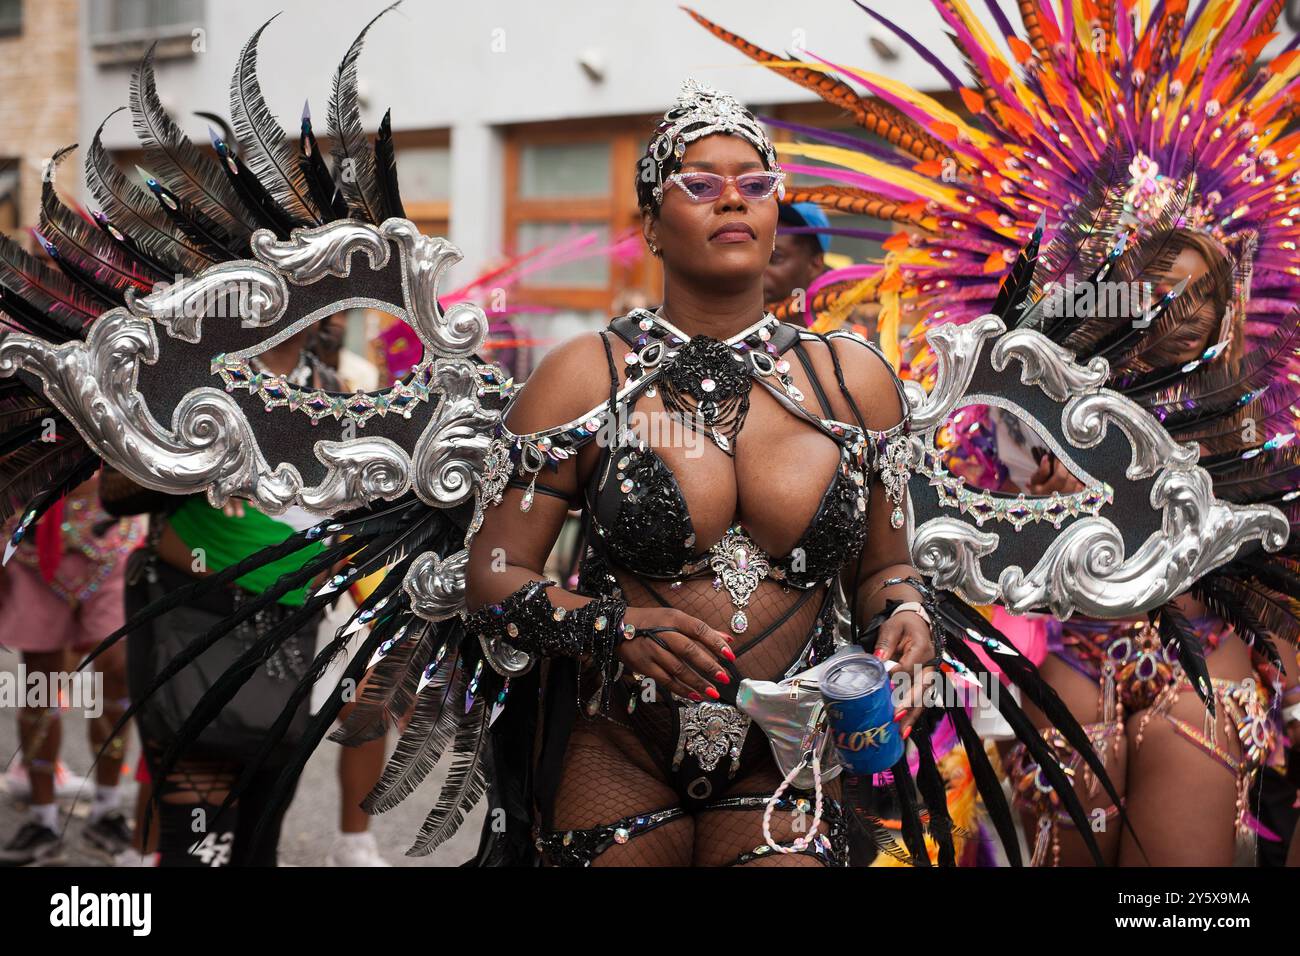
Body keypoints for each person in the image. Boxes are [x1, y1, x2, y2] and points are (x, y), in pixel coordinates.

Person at [100, 328, 333, 867]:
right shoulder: (190, 376)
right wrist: (206, 459)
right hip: (192, 617)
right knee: (199, 848)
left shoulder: (330, 389)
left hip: (291, 629)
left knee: (257, 843)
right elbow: (115, 491)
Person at [0, 476, 143, 866]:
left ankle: (106, 810)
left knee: (117, 673)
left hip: (112, 533)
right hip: (32, 540)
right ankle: (43, 821)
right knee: (40, 685)